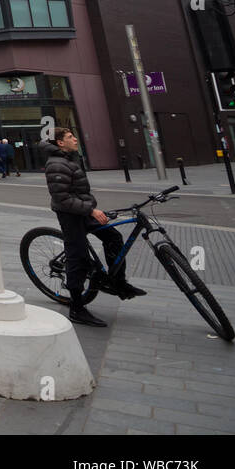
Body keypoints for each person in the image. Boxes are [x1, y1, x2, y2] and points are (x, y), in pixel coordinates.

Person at [42, 127, 144, 327]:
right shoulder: (56, 164)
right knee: (77, 257)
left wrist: (90, 209)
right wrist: (91, 211)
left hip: (84, 210)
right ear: (60, 142)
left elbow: (78, 190)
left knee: (113, 237)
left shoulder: (70, 158)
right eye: (70, 137)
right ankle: (77, 308)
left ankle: (118, 283)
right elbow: (62, 199)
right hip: (71, 216)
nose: (75, 139)